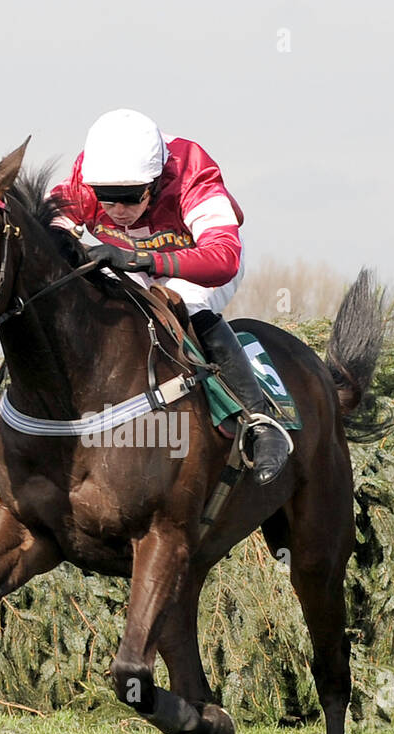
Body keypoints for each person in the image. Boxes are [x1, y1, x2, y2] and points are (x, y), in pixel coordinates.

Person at [50, 108, 290, 484]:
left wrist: (141, 258)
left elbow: (224, 258)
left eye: (129, 198)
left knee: (183, 305)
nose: (118, 211)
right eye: (106, 199)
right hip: (130, 261)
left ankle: (259, 421)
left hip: (197, 263)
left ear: (156, 182)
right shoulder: (85, 178)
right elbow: (46, 228)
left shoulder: (192, 171)